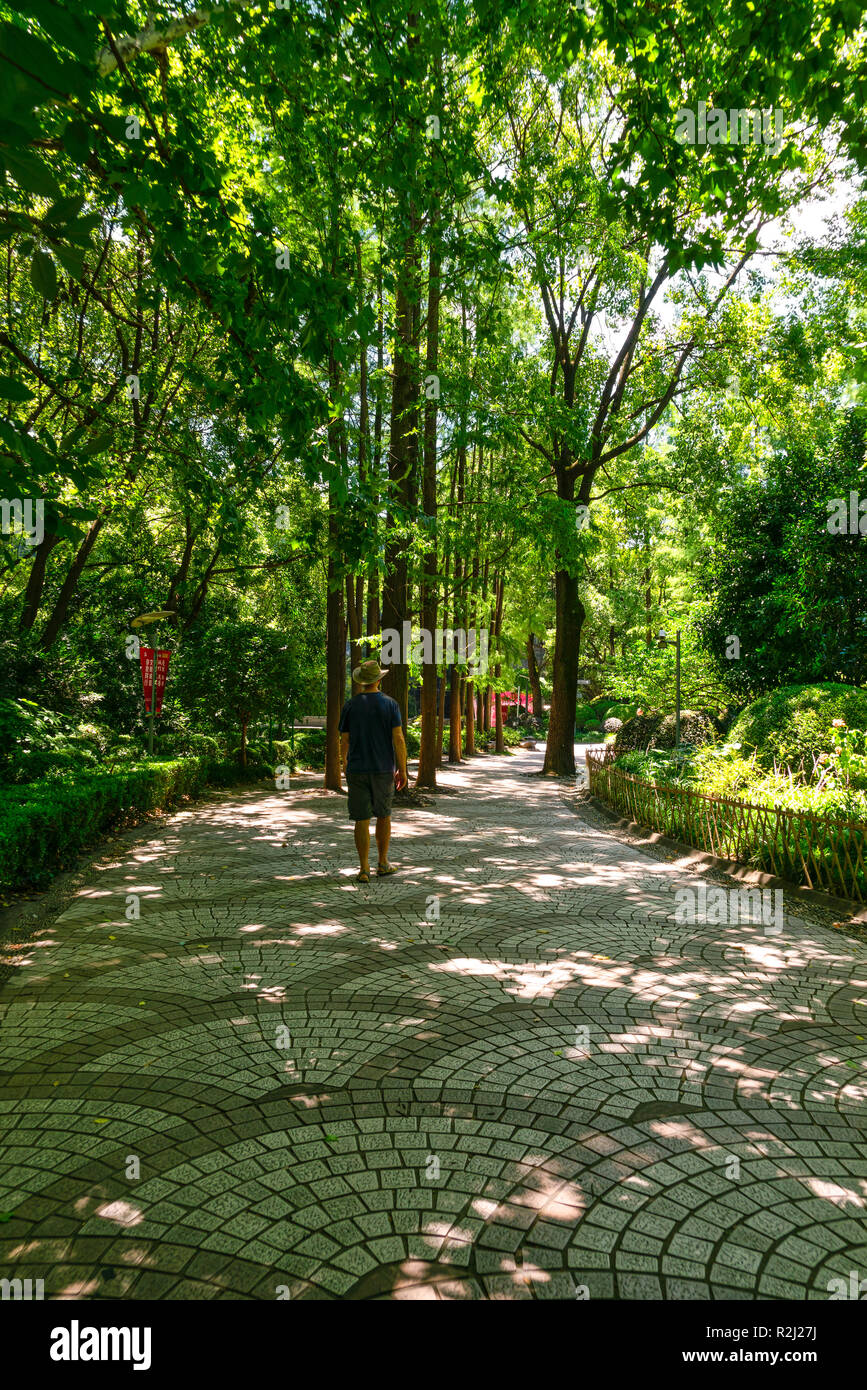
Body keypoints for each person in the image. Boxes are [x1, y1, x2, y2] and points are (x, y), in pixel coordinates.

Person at [338, 659, 408, 883]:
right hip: (383, 769)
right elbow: (398, 738)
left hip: (357, 768)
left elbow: (345, 739)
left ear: (361, 681)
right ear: (378, 680)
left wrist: (344, 762)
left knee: (361, 818)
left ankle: (364, 869)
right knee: (384, 815)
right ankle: (383, 862)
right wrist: (403, 769)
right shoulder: (390, 705)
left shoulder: (350, 705)